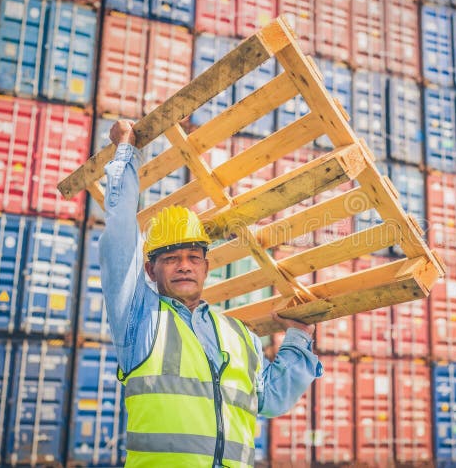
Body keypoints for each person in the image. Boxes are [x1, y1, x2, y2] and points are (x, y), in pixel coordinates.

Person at [99, 119, 323, 468]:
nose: (184, 266)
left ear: (206, 267)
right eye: (171, 259)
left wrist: (298, 338)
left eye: (193, 258)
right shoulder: (140, 320)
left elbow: (272, 398)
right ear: (149, 270)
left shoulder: (238, 335)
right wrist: (126, 152)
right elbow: (119, 236)